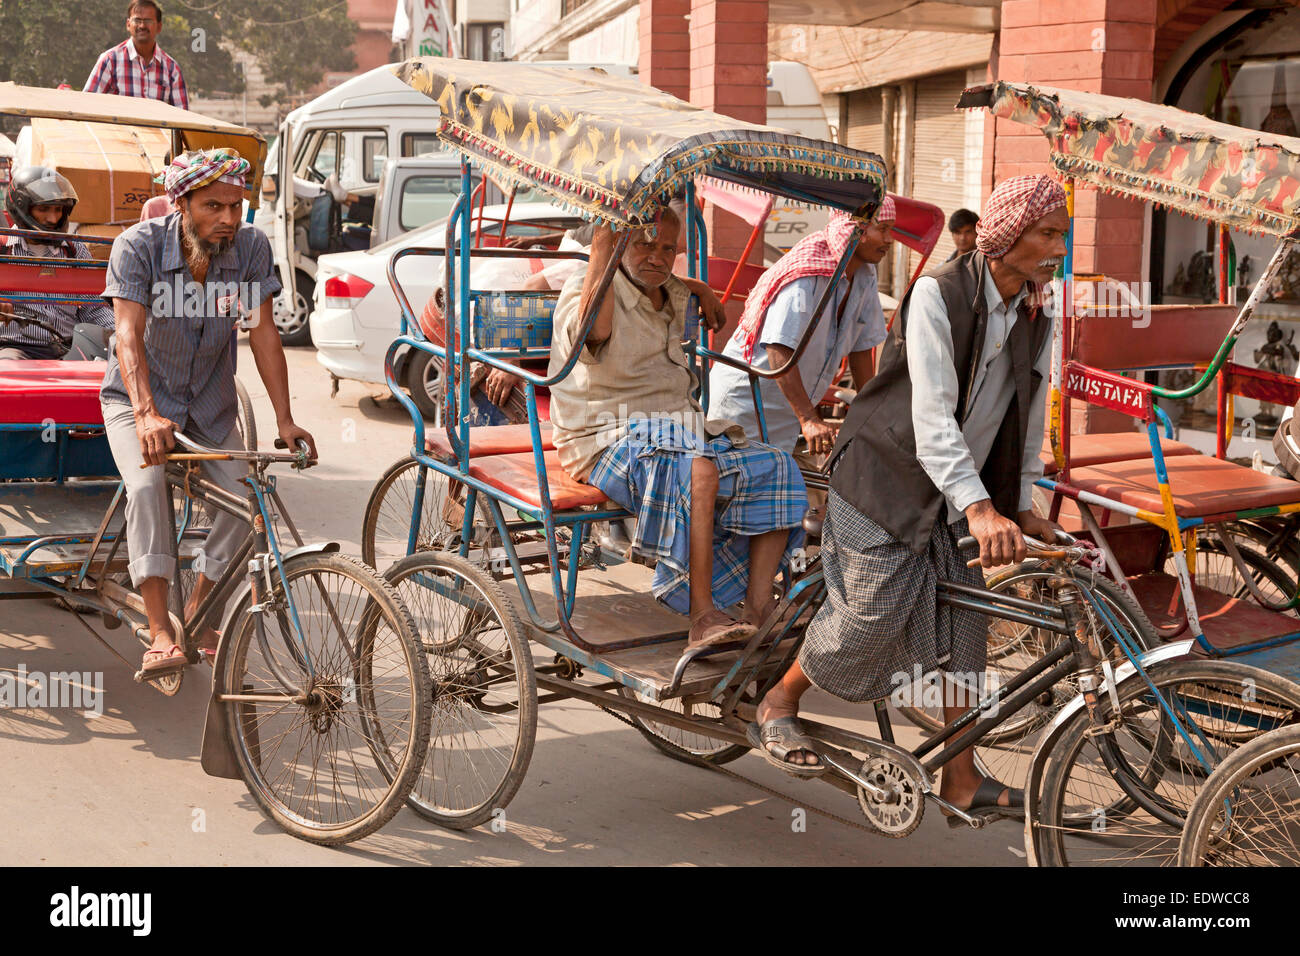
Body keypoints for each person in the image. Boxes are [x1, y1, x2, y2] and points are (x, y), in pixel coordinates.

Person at [748, 175, 1067, 822]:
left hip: (955, 489)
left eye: (1062, 233)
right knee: (874, 608)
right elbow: (931, 415)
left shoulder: (1039, 307)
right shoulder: (936, 294)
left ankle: (959, 776)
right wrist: (978, 508)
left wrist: (1023, 500)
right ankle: (779, 699)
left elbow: (1030, 412)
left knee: (969, 622)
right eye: (1048, 233)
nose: (1059, 247)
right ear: (1007, 237)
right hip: (884, 475)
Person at [548, 206, 807, 648]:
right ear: (620, 244)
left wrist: (699, 287)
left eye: (668, 248)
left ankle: (757, 606)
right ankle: (702, 615)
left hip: (677, 429)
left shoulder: (669, 289)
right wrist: (603, 249)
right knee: (697, 469)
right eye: (645, 243)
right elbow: (594, 330)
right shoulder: (589, 286)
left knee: (779, 466)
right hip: (605, 434)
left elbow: (661, 282)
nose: (658, 256)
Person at [99, 148, 315, 675]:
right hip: (137, 401)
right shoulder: (137, 247)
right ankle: (158, 629)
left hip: (212, 406)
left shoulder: (250, 249)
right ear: (182, 202)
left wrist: (285, 420)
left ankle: (200, 600)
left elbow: (264, 334)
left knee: (248, 499)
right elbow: (127, 335)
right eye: (213, 207)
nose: (227, 220)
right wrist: (148, 414)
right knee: (148, 487)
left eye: (236, 208)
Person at [706, 199, 894, 458]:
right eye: (882, 229)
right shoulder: (807, 276)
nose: (889, 239)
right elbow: (778, 349)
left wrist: (872, 412)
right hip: (747, 403)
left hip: (787, 410)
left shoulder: (865, 276)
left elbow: (861, 349)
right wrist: (808, 418)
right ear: (855, 230)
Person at [0, 166, 115, 359]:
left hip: (68, 348)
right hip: (14, 348)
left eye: (58, 209)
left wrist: (120, 332)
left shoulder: (73, 250)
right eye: (43, 209)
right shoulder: (3, 248)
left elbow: (93, 308)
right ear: (21, 208)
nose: (53, 218)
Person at [84, 1, 188, 110]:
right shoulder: (110, 61)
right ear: (128, 24)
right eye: (137, 20)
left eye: (148, 21)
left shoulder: (172, 69)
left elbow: (183, 118)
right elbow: (87, 106)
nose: (142, 26)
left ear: (159, 27)